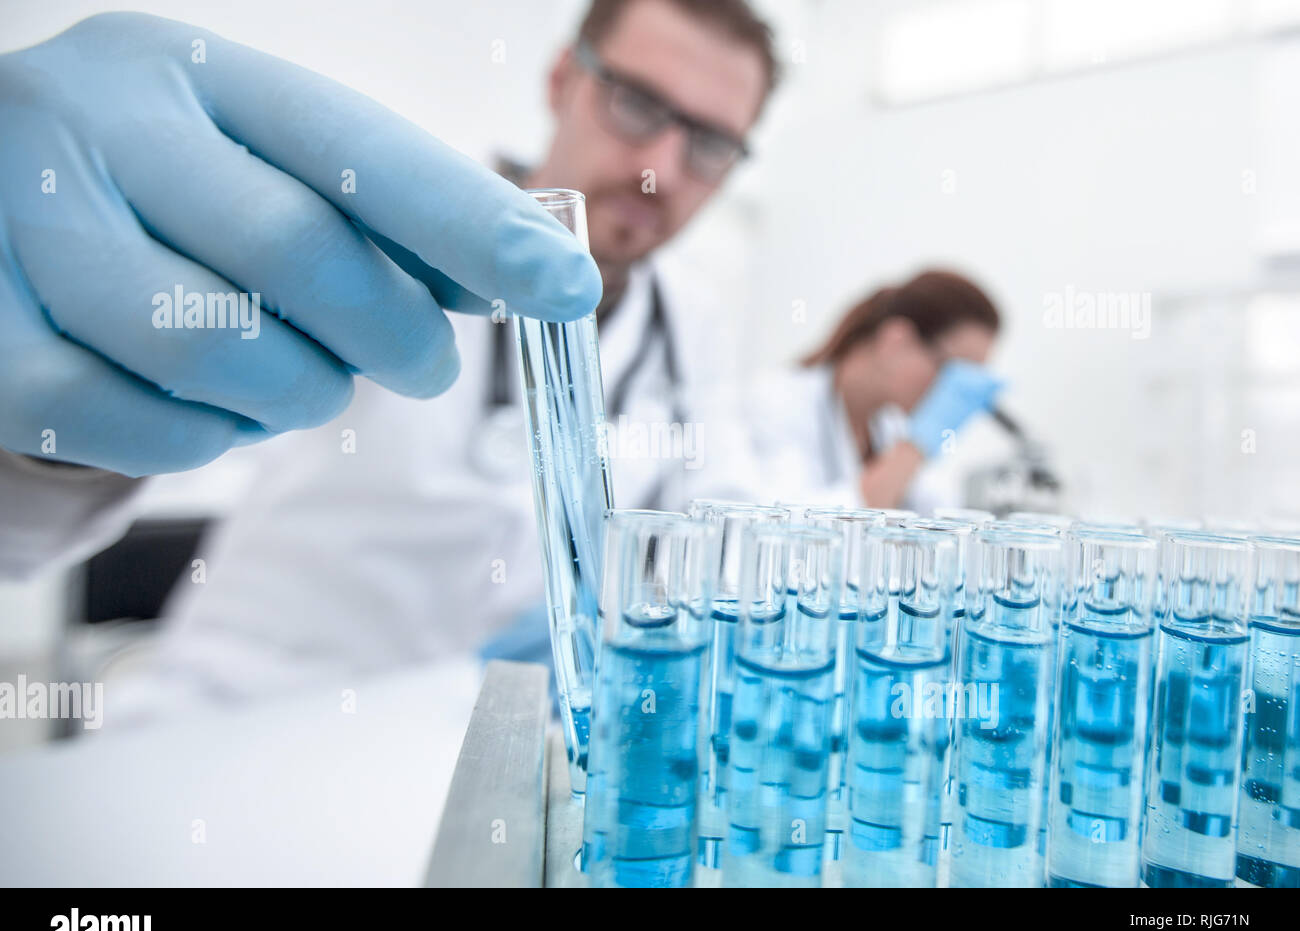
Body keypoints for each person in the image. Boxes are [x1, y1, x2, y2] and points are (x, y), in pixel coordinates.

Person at [0, 0, 783, 717]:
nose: (664, 170)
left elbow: (727, 525)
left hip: (492, 760)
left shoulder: (695, 323)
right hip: (247, 724)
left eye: (711, 145)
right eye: (639, 104)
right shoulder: (366, 228)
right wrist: (40, 443)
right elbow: (18, 530)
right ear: (562, 80)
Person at [750, 269, 1005, 511]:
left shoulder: (889, 424)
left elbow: (937, 513)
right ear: (896, 340)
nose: (950, 394)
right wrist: (916, 446)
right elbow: (791, 524)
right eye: (951, 372)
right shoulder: (777, 402)